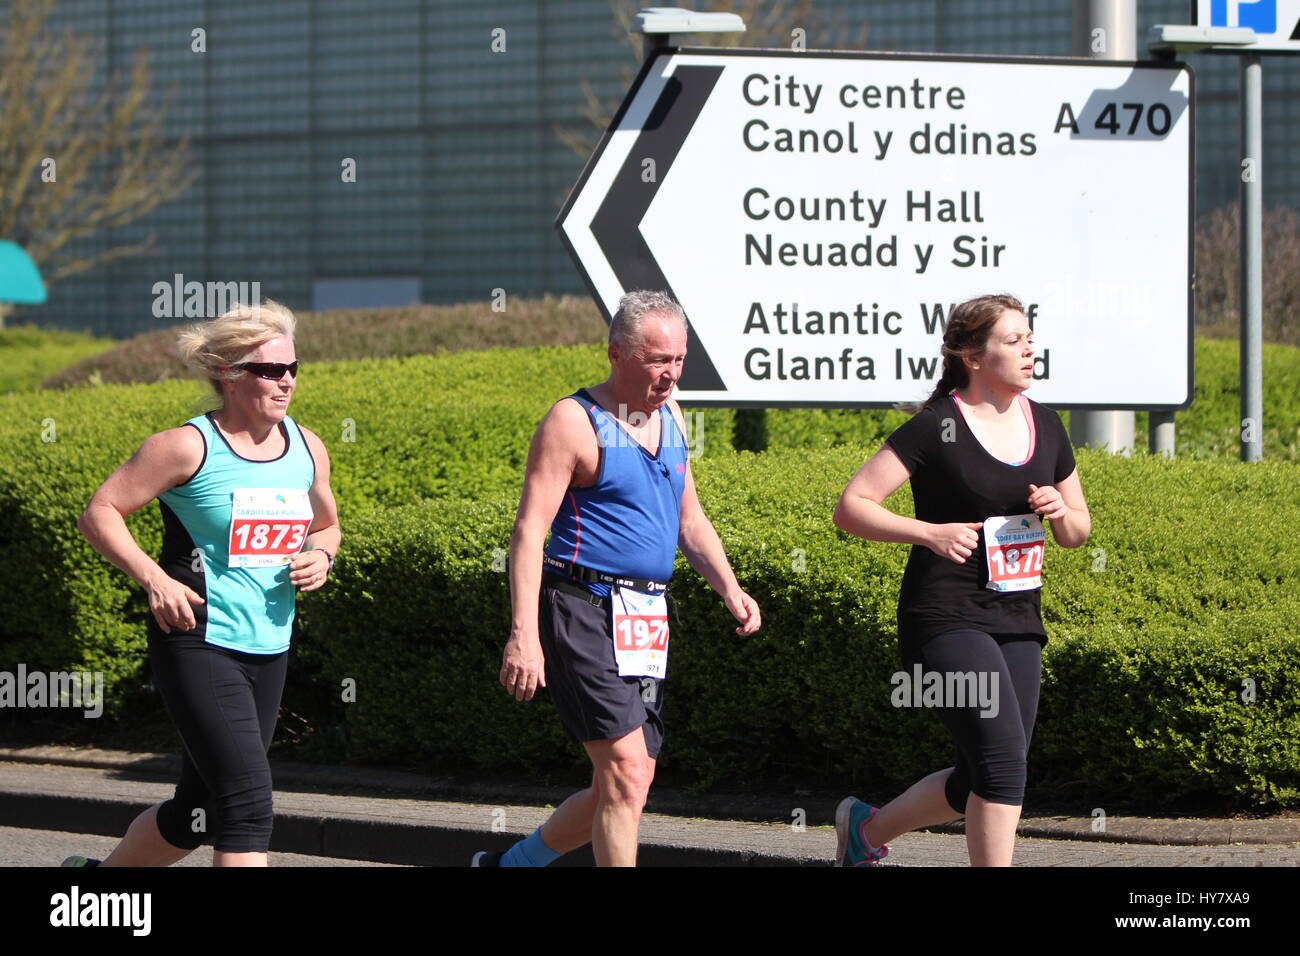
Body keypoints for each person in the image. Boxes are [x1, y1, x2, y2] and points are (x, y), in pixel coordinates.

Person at [479, 289, 761, 867]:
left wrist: (730, 587)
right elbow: (529, 532)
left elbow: (689, 521)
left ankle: (514, 865)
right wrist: (523, 634)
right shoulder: (572, 421)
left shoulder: (672, 417)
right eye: (657, 360)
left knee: (630, 780)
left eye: (679, 359)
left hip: (646, 618)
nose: (671, 374)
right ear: (616, 354)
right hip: (580, 606)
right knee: (625, 771)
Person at [64, 300, 339, 867]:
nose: (286, 381)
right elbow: (100, 512)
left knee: (200, 809)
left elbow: (327, 525)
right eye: (270, 370)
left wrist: (322, 555)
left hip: (270, 643)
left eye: (292, 368)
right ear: (228, 374)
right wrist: (153, 577)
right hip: (199, 638)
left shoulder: (307, 446)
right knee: (247, 806)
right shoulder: (186, 446)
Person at [832, 293, 1091, 867]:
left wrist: (1060, 511)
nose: (1029, 350)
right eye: (1013, 341)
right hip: (945, 617)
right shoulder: (937, 426)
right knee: (1001, 765)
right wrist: (928, 533)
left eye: (1029, 340)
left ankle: (865, 832)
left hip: (1018, 617)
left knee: (987, 770)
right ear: (972, 357)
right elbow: (852, 506)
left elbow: (1078, 531)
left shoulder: (1047, 425)